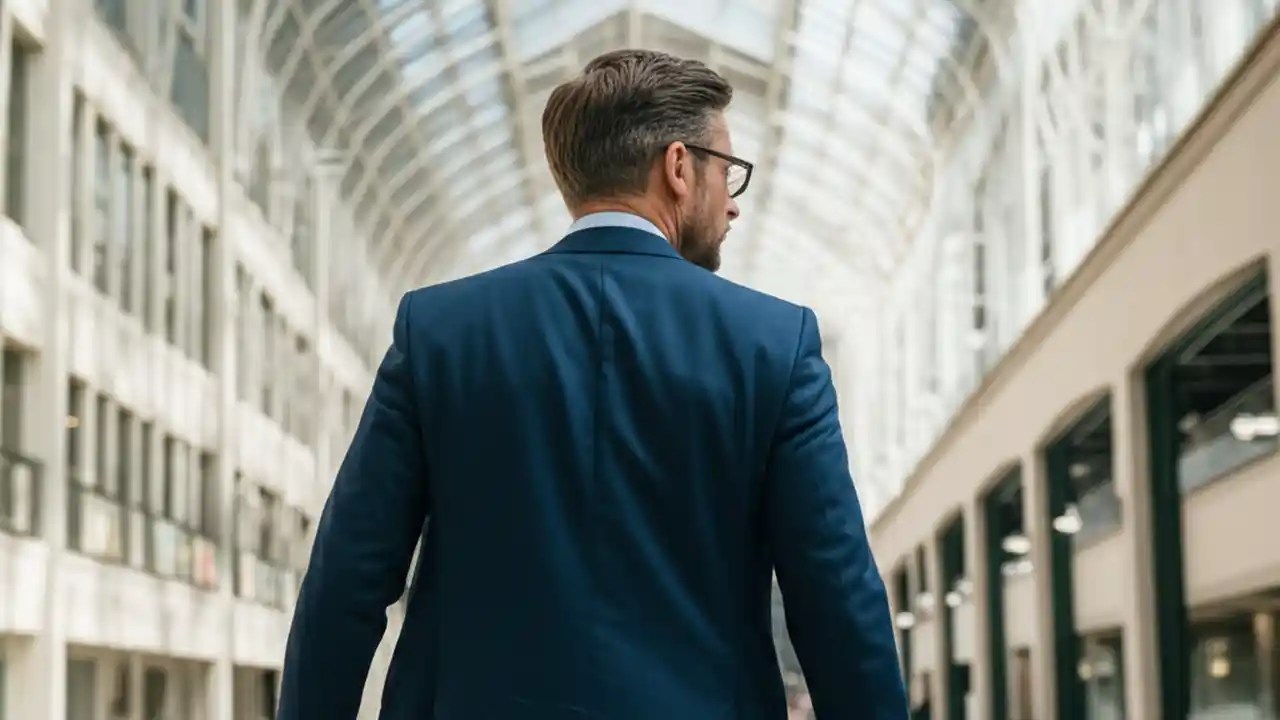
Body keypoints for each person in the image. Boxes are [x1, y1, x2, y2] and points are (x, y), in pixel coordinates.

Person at [276, 48, 907, 719]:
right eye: (730, 173)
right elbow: (835, 600)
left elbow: (347, 582)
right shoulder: (773, 345)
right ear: (678, 168)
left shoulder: (441, 332)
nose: (734, 205)